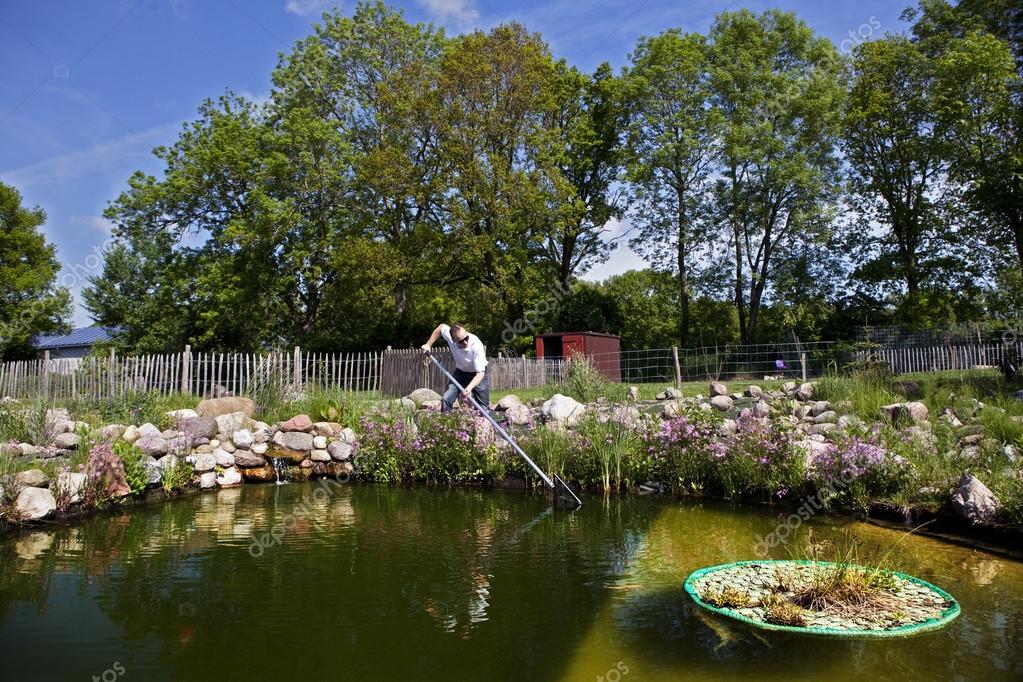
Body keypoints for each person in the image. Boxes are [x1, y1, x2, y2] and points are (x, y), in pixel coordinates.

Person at [421, 323, 489, 412]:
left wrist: (469, 388)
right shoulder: (450, 336)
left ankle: (484, 424)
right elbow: (441, 327)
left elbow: (480, 373)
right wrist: (428, 344)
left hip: (478, 374)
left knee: (483, 408)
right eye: (461, 341)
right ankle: (446, 422)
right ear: (453, 339)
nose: (465, 342)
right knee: (446, 399)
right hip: (461, 373)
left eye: (466, 338)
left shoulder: (476, 345)